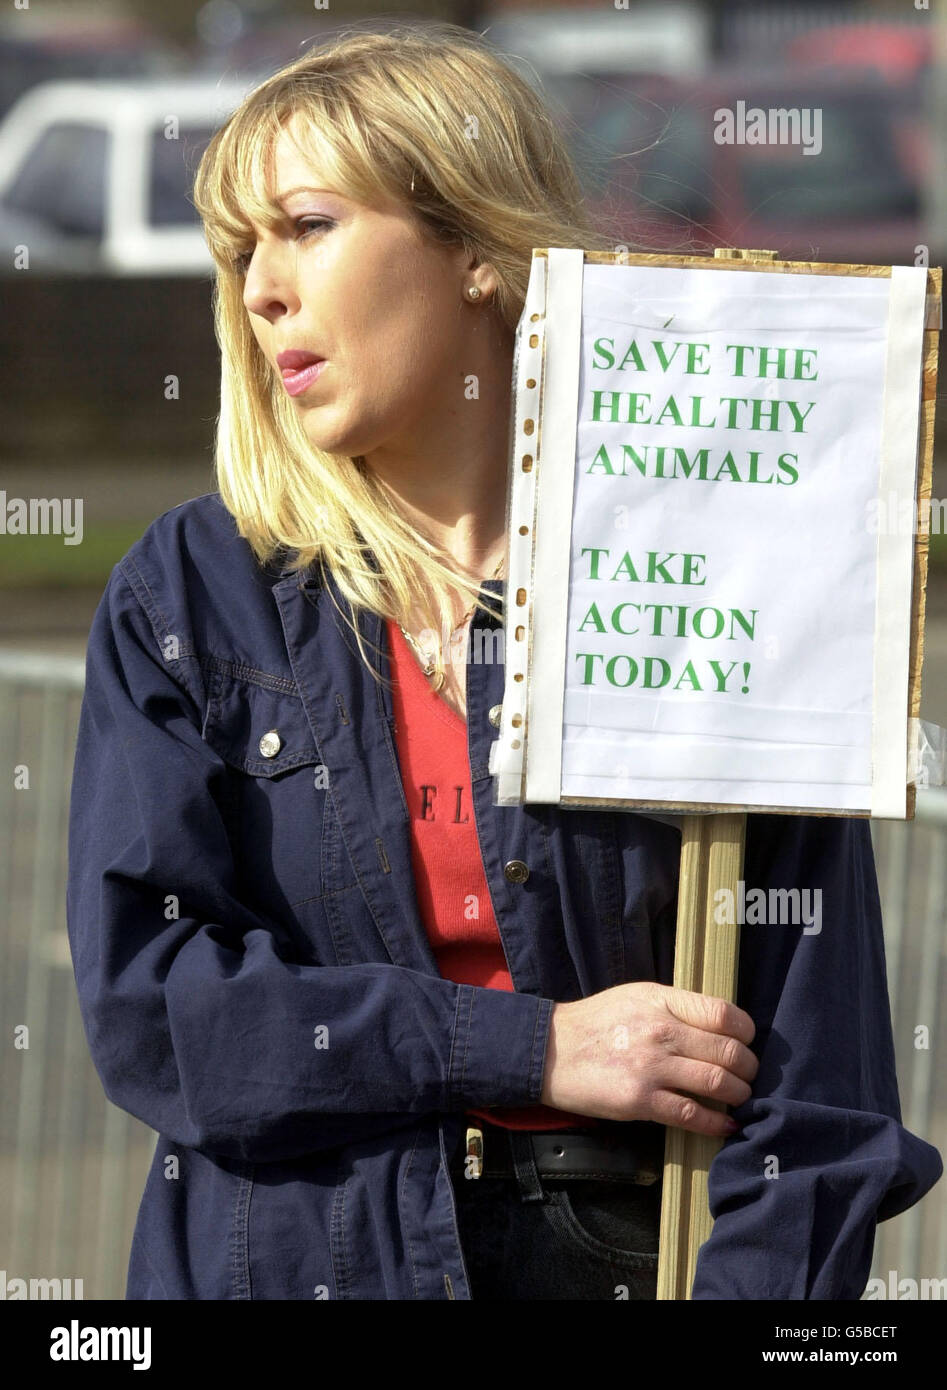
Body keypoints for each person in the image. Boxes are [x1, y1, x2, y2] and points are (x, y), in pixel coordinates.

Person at [66, 22, 941, 1301]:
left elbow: (817, 1099)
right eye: (240, 248)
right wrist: (529, 1049)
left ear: (474, 250)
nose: (259, 289)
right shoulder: (191, 592)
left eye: (306, 225)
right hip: (293, 1258)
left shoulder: (713, 569)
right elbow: (159, 1012)